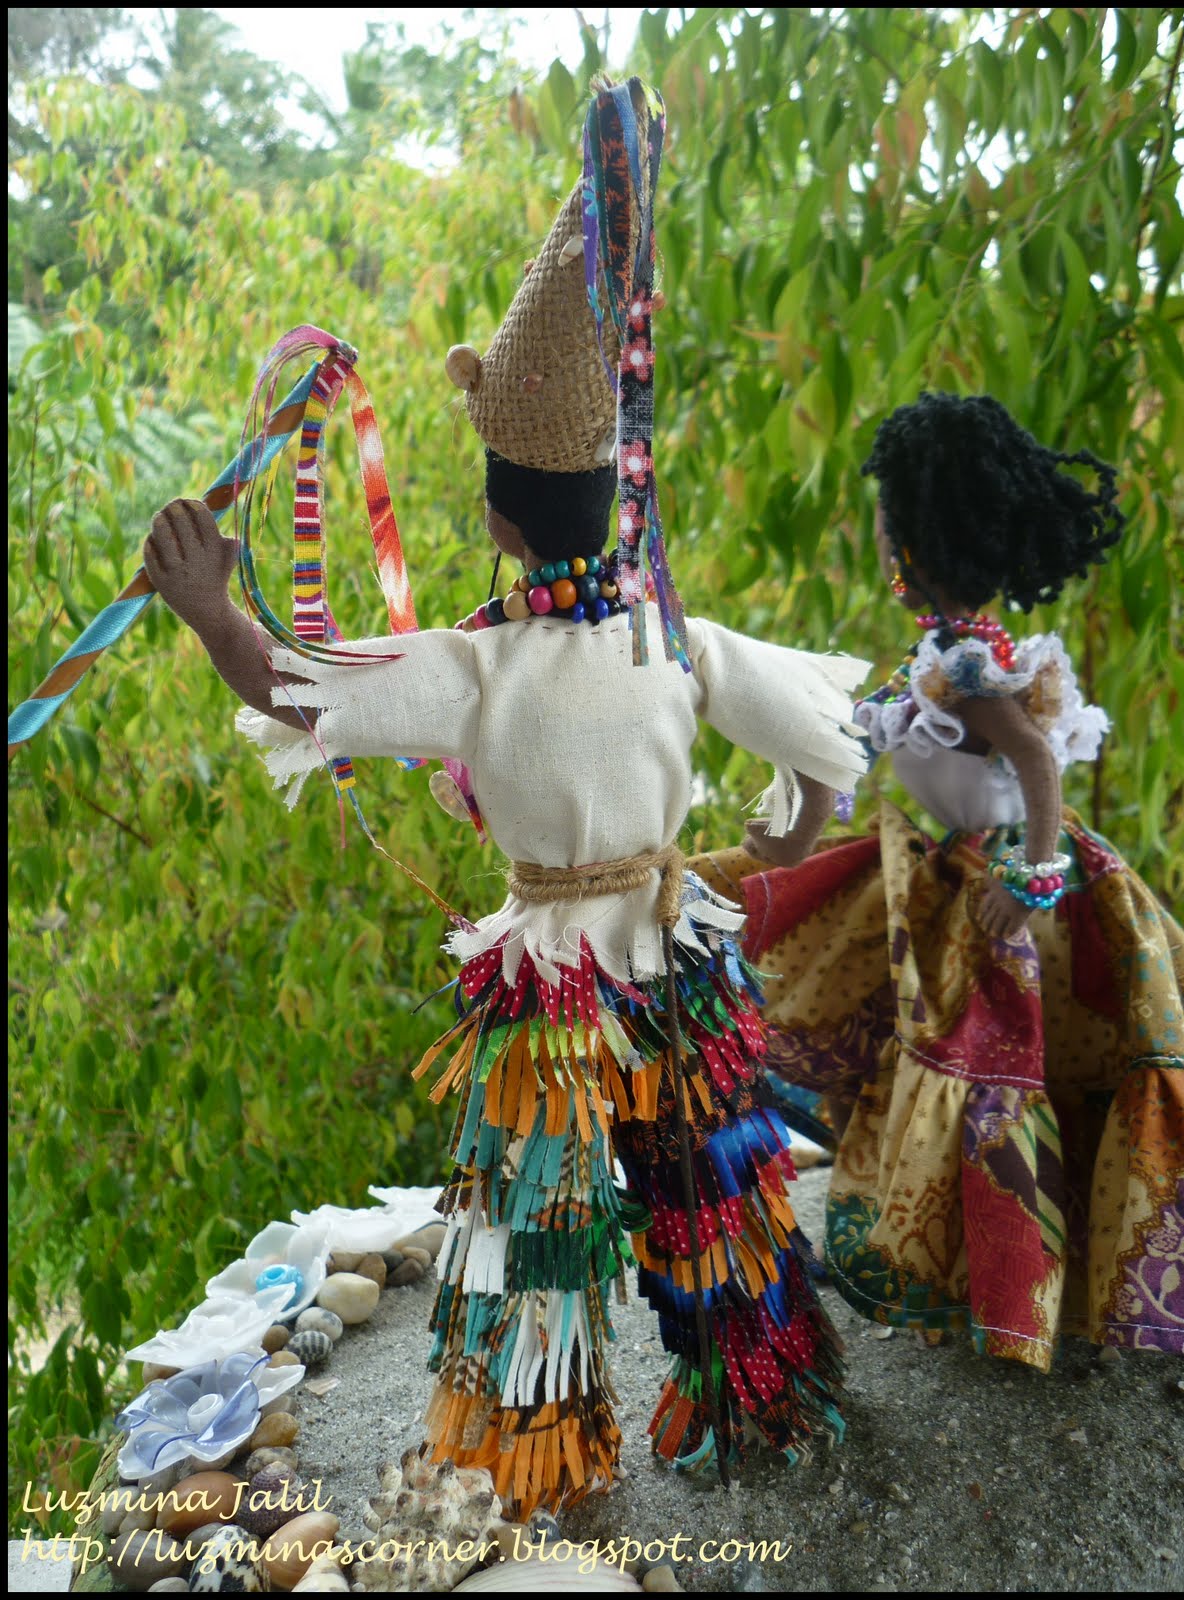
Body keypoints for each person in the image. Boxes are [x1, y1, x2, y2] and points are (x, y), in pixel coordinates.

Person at [141, 78, 872, 1518]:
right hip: (680, 951)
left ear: (492, 512)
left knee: (530, 1229)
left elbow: (300, 690)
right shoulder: (677, 632)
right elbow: (825, 742)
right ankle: (765, 1385)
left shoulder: (476, 670)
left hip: (548, 986)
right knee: (717, 1191)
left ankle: (526, 1463)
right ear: (620, 500)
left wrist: (208, 606)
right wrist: (786, 824)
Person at [693, 391, 1184, 1369]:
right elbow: (846, 752)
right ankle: (979, 1265)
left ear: (910, 546)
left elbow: (1039, 770)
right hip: (953, 876)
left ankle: (1006, 1279)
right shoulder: (941, 660)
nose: (880, 538)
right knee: (961, 1066)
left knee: (990, 1069)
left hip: (1002, 892)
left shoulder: (971, 667)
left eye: (886, 524)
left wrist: (1037, 873)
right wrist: (790, 836)